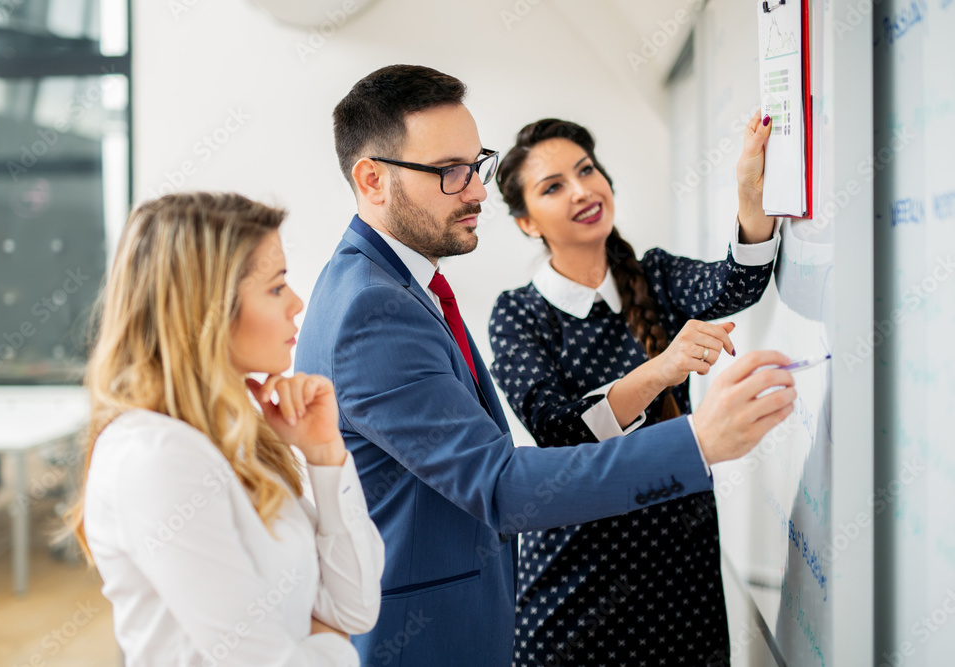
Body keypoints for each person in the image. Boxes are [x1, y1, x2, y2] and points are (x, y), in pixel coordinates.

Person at [295, 64, 795, 667]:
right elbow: (503, 481)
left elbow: (734, 283)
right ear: (372, 180)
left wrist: (751, 197)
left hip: (661, 582)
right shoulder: (376, 306)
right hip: (463, 627)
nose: (477, 190)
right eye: (450, 172)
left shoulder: (395, 285)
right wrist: (699, 440)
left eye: (473, 165)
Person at [489, 117, 779, 666]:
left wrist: (749, 198)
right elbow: (557, 429)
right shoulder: (519, 313)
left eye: (586, 170)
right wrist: (661, 370)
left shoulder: (656, 276)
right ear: (527, 222)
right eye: (553, 187)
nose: (581, 190)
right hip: (578, 583)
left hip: (681, 576)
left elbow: (738, 282)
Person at [66, 192, 384, 666]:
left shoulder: (235, 437)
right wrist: (332, 643)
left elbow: (354, 607)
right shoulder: (157, 455)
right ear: (206, 309)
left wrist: (325, 454)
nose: (297, 303)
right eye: (276, 288)